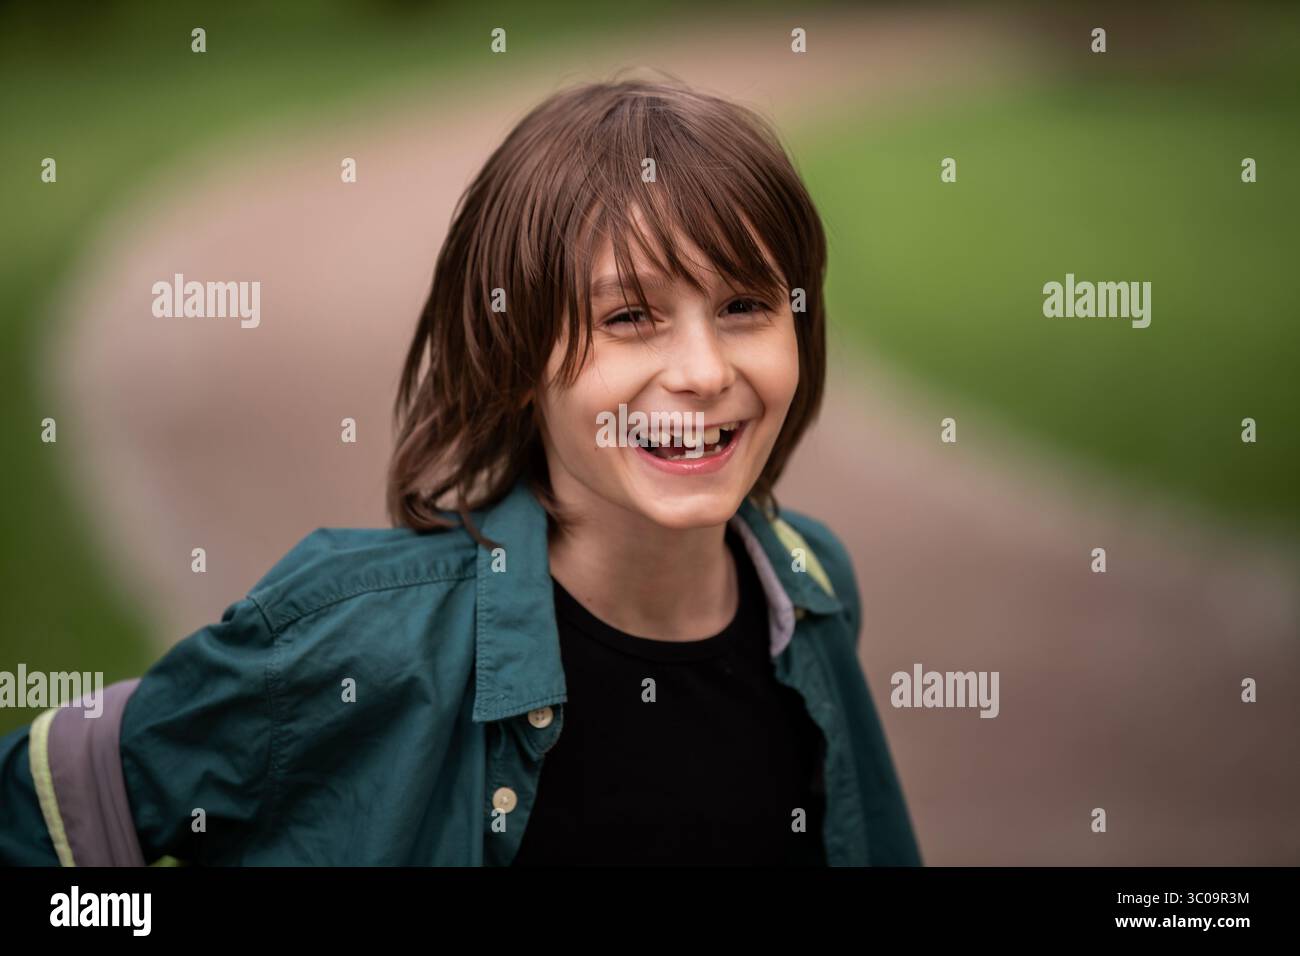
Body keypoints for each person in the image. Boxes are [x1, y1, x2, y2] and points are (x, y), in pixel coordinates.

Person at [0, 76, 921, 867]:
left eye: (745, 304)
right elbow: (48, 807)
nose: (705, 371)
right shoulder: (352, 639)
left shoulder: (809, 587)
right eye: (631, 316)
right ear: (514, 353)